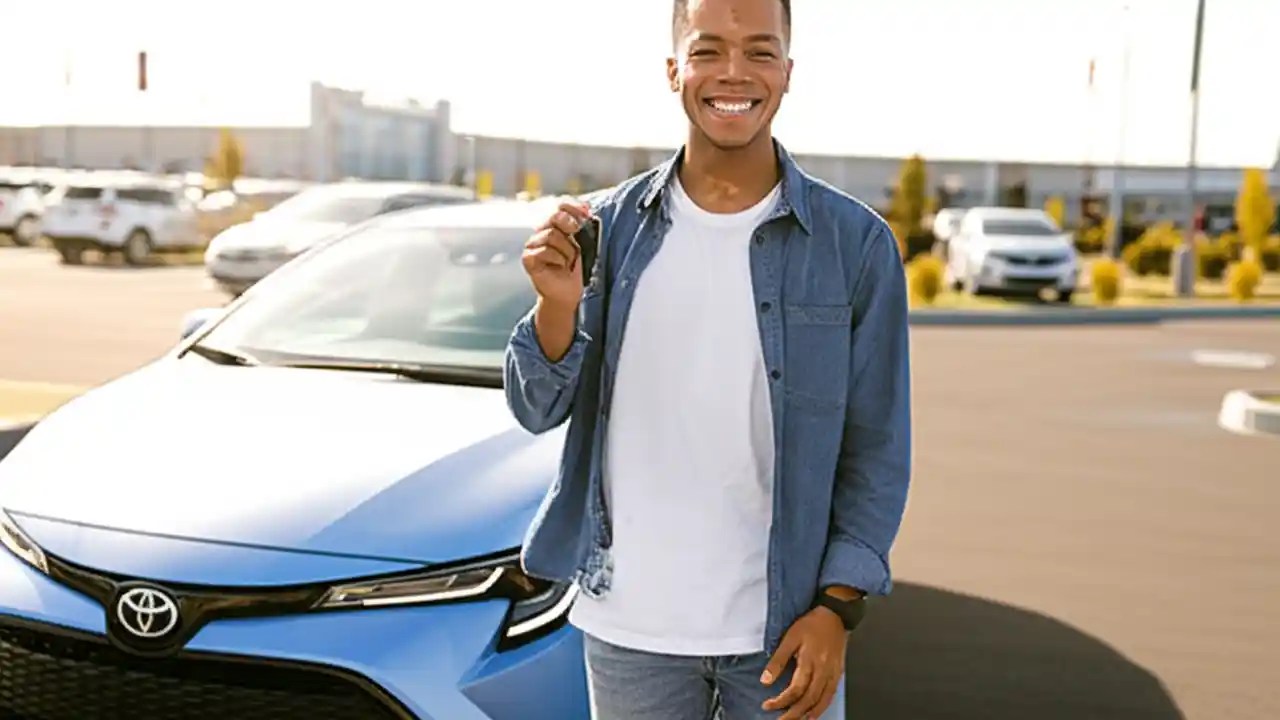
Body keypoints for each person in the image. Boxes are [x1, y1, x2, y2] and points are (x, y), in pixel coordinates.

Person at [503, 0, 912, 717]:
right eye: (707, 50)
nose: (733, 73)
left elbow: (877, 449)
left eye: (759, 51)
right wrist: (557, 305)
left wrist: (836, 609)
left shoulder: (856, 247)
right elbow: (535, 408)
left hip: (786, 631)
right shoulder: (605, 231)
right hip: (630, 630)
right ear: (673, 70)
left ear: (788, 71)